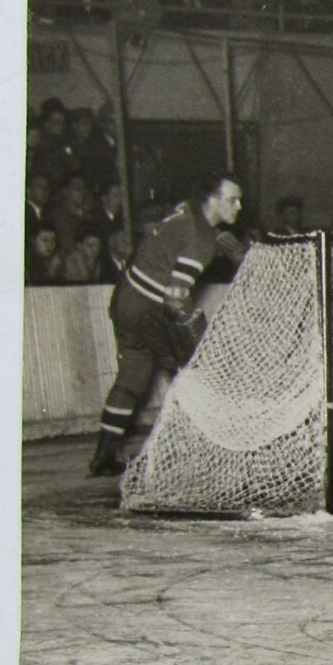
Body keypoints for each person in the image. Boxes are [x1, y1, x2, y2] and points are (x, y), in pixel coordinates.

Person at [88, 174, 245, 477]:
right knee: (195, 373)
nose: (239, 206)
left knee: (132, 378)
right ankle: (205, 452)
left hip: (125, 297)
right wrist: (194, 336)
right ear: (211, 200)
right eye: (232, 199)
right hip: (150, 308)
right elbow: (175, 298)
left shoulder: (185, 208)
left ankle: (104, 456)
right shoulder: (202, 240)